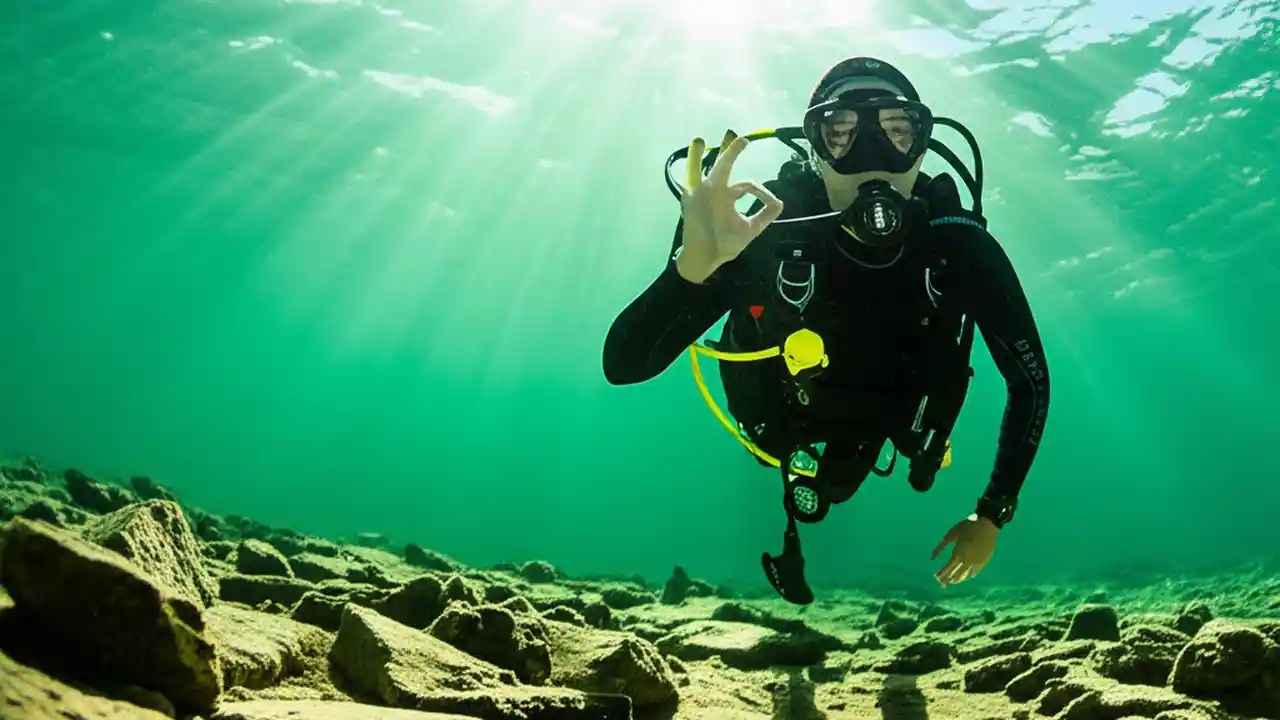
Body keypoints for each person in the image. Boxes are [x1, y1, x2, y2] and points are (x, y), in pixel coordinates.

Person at [602, 57, 1050, 605]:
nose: (872, 159)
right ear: (813, 150)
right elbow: (624, 366)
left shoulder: (957, 245)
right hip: (777, 424)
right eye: (841, 134)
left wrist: (993, 511)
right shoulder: (760, 235)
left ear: (922, 145)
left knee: (837, 483)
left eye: (897, 132)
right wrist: (690, 272)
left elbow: (1030, 381)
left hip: (883, 429)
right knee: (816, 484)